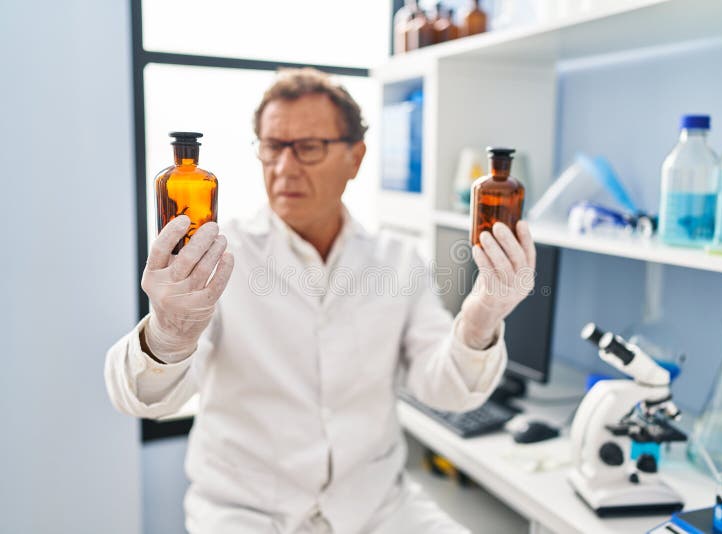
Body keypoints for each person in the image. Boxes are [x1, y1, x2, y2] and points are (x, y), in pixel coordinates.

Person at [105, 68, 537, 534]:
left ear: (356, 157)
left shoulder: (398, 261)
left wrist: (482, 316)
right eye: (272, 146)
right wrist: (168, 334)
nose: (284, 168)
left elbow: (445, 389)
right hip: (247, 514)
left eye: (308, 147)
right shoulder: (216, 259)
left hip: (378, 511)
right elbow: (145, 398)